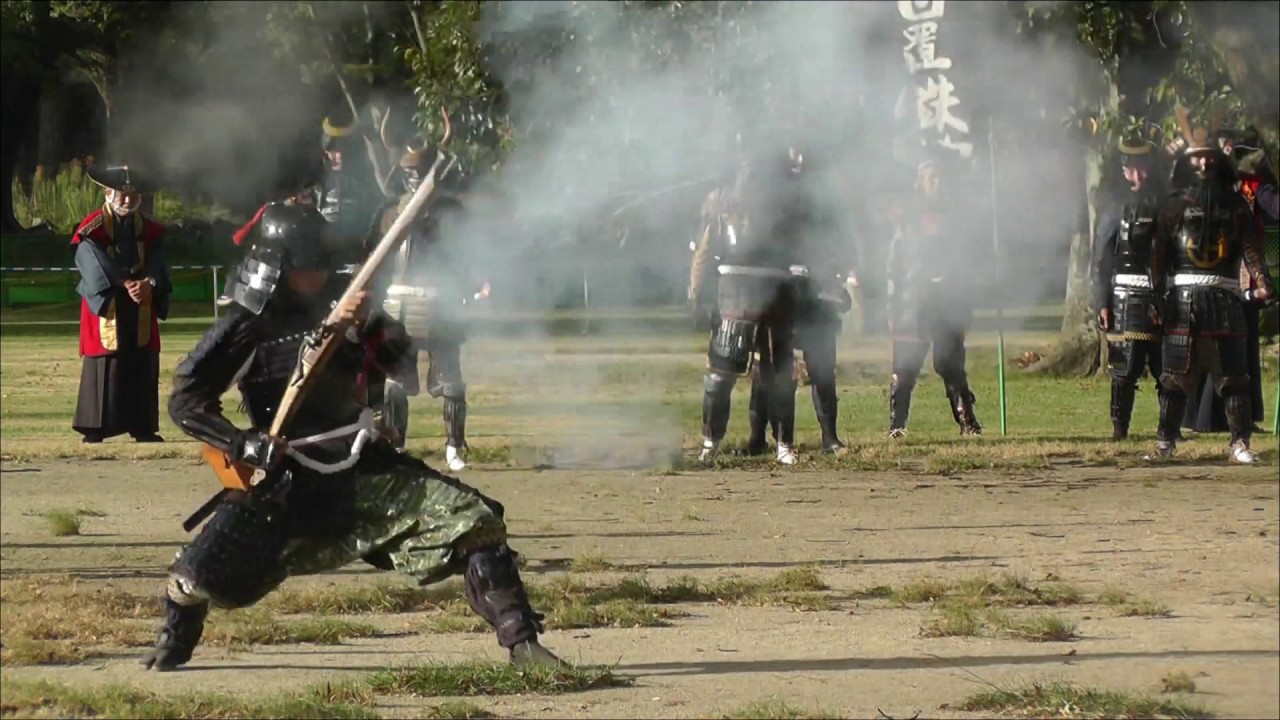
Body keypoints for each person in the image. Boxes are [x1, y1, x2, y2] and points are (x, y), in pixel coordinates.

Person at [141, 203, 560, 672]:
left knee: (474, 519)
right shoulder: (245, 328)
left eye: (322, 263)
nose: (319, 274)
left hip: (362, 465)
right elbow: (187, 401)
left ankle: (522, 644)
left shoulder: (350, 305)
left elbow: (404, 367)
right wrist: (243, 444)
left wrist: (366, 326)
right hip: (285, 484)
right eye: (307, 266)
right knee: (196, 574)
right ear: (277, 265)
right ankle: (176, 637)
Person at [1146, 116, 1273, 462]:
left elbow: (1251, 249)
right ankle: (1165, 443)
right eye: (1196, 157)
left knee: (1234, 379)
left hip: (1225, 301)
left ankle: (1240, 444)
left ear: (1218, 160)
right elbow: (1158, 255)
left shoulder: (1235, 206)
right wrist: (1155, 297)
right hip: (1182, 302)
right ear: (1187, 162)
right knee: (1173, 379)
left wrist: (1262, 280)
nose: (1203, 163)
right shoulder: (1172, 207)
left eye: (1208, 157)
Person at [365, 109, 485, 471]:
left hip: (441, 298)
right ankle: (397, 447)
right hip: (398, 301)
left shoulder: (450, 211)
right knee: (395, 380)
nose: (415, 179)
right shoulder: (389, 212)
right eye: (410, 173)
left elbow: (466, 251)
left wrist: (474, 281)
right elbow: (374, 255)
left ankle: (454, 448)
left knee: (451, 380)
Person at [689, 146, 812, 465]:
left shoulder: (786, 209)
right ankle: (710, 444)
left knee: (781, 375)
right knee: (720, 376)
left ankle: (784, 444)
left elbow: (801, 251)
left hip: (775, 294)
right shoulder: (721, 207)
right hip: (734, 295)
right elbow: (704, 252)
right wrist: (696, 292)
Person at [1182, 128, 1278, 434]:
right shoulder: (1214, 190)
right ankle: (1207, 418)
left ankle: (1231, 417)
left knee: (1234, 345)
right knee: (1224, 345)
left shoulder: (1248, 186)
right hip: (1221, 272)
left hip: (1235, 271)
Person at [71, 164, 173, 444]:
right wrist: (124, 282)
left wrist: (149, 283)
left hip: (142, 302)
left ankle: (143, 427)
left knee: (142, 361)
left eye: (133, 195)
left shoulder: (151, 229)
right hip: (108, 300)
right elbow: (90, 259)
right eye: (122, 194)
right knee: (106, 362)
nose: (128, 200)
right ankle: (96, 427)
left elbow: (158, 262)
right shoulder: (92, 227)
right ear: (108, 194)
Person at [886, 157, 981, 438]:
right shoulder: (907, 221)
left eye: (941, 178)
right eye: (932, 178)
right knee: (904, 369)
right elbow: (894, 267)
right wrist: (893, 309)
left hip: (948, 304)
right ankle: (897, 427)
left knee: (951, 366)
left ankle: (968, 423)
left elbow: (967, 265)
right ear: (921, 183)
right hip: (913, 305)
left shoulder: (957, 219)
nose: (938, 183)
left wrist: (965, 308)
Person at [1091, 135, 1166, 440]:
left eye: (1142, 168)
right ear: (1123, 170)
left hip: (1160, 294)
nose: (1138, 175)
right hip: (1123, 296)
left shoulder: (1164, 204)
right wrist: (1102, 302)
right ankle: (1119, 429)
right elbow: (1101, 259)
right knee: (1123, 369)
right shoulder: (1114, 207)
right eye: (1132, 169)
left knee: (1167, 368)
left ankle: (1169, 428)